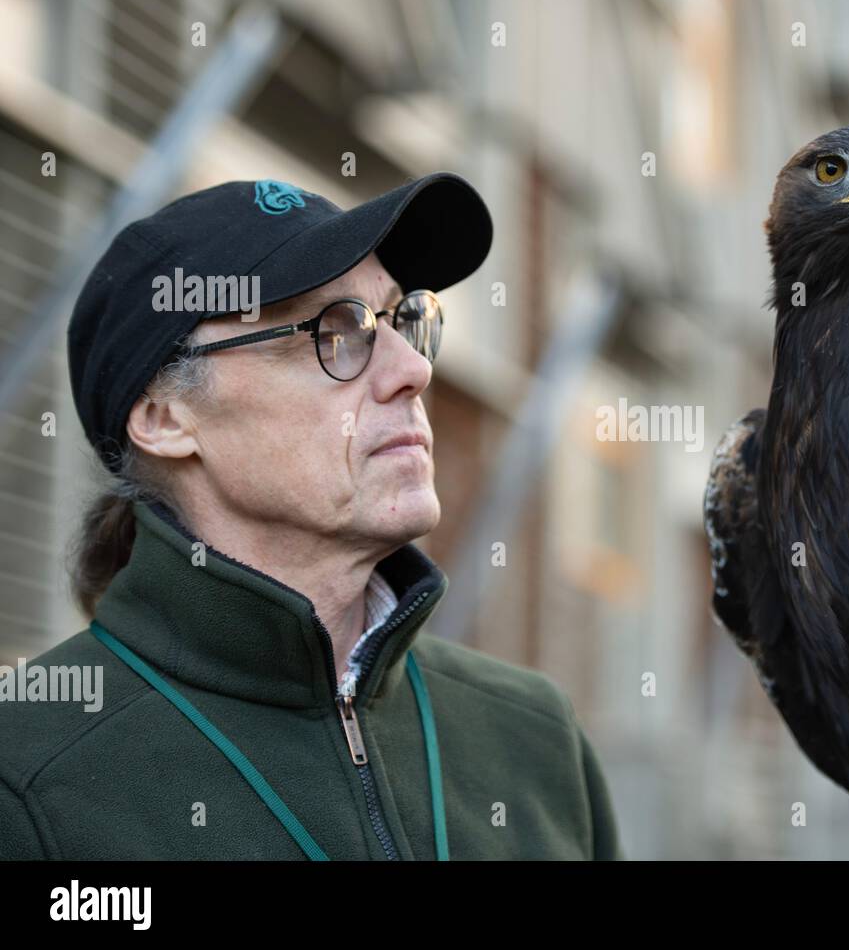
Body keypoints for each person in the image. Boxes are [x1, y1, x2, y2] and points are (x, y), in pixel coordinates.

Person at [0, 175, 623, 860]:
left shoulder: (535, 739)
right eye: (338, 330)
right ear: (166, 417)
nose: (411, 368)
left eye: (401, 319)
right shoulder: (29, 776)